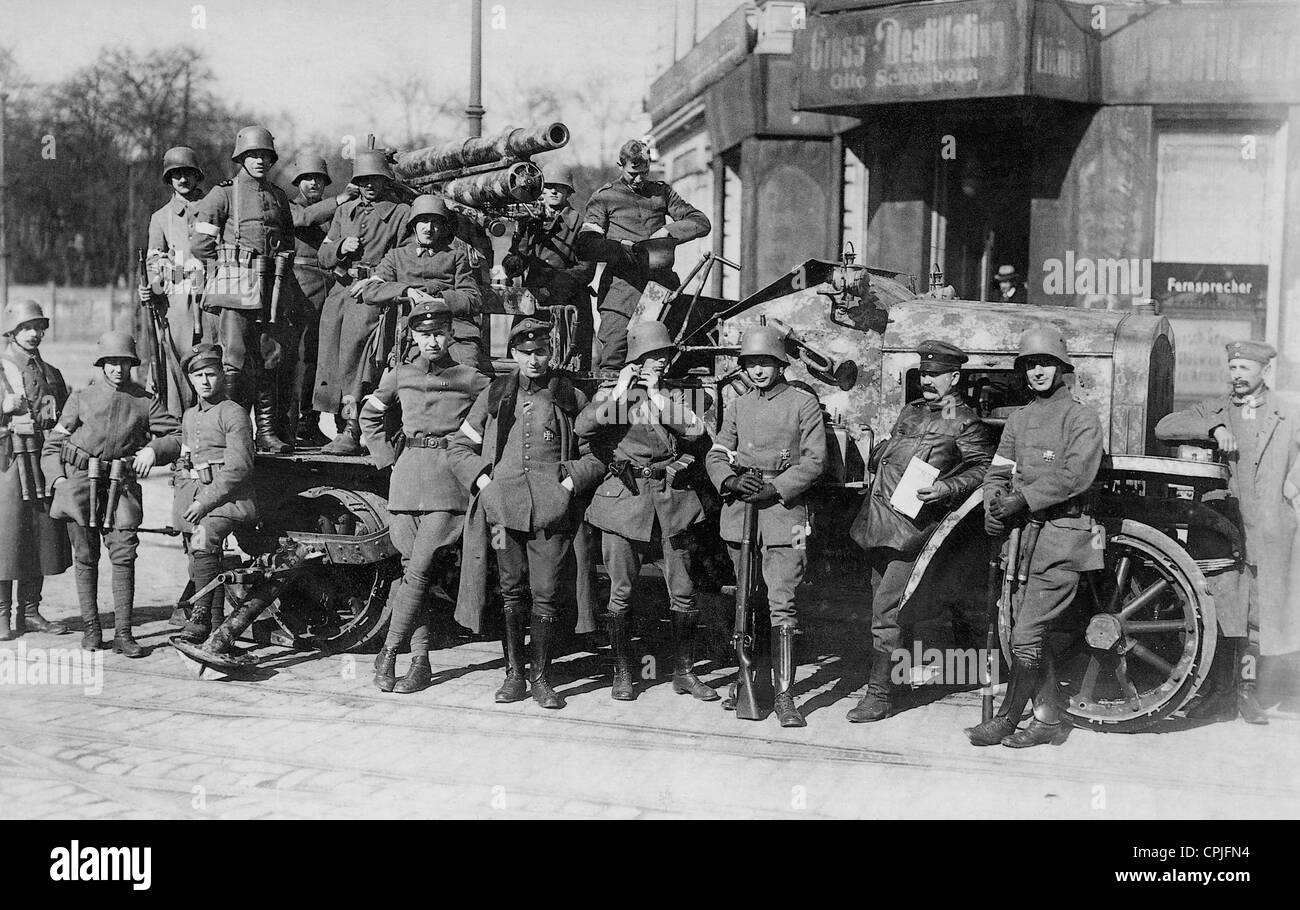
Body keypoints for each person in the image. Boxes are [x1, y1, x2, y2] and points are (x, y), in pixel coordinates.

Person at [449, 317, 605, 708]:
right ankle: (514, 675)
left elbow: (598, 455)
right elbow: (459, 448)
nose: (534, 360)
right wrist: (485, 487)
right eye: (526, 353)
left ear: (551, 352)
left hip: (551, 516)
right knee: (510, 590)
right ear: (513, 354)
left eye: (541, 352)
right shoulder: (495, 393)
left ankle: (541, 678)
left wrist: (568, 485)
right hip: (502, 515)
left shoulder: (571, 396)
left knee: (546, 594)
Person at [967, 324, 1104, 748]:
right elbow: (998, 470)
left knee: (1026, 633)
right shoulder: (1020, 419)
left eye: (1045, 363)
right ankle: (1046, 717)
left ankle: (1009, 719)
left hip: (1063, 537)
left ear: (1061, 368)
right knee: (1021, 631)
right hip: (1020, 538)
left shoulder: (1081, 417)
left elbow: (1076, 475)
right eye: (1029, 364)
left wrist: (1023, 499)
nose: (1036, 372)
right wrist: (994, 503)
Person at [846, 340, 993, 723]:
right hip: (880, 521)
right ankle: (898, 680)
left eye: (936, 375)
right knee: (886, 603)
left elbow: (985, 468)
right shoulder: (911, 412)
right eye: (924, 373)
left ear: (954, 378)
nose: (928, 380)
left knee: (886, 610)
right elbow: (893, 454)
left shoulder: (964, 421)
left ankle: (878, 696)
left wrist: (946, 488)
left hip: (914, 527)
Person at [1156, 340, 1300, 721]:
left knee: (1260, 614)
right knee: (1226, 609)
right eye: (1233, 368)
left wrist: (1295, 482)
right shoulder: (1215, 408)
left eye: (1244, 369)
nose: (1236, 376)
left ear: (1263, 372)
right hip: (1226, 523)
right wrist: (1213, 426)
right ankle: (1222, 693)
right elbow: (1165, 427)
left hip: (1271, 527)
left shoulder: (1287, 411)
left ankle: (1247, 693)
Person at [358, 298, 489, 694]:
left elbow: (498, 412)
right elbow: (370, 415)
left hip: (448, 482)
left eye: (439, 333)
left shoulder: (470, 377)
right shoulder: (399, 376)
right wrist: (385, 460)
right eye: (424, 334)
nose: (432, 340)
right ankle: (421, 662)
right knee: (411, 570)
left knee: (419, 569)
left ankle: (389, 651)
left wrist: (474, 462)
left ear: (450, 335)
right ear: (413, 336)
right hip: (406, 479)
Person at [576, 320, 711, 701]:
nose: (660, 363)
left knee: (683, 592)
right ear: (636, 358)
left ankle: (684, 672)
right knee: (621, 592)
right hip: (624, 502)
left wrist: (658, 396)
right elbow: (583, 428)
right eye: (652, 357)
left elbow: (697, 431)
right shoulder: (614, 396)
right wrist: (619, 392)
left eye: (664, 356)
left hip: (672, 501)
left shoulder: (676, 394)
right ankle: (623, 673)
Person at [706, 324, 828, 727]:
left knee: (783, 602)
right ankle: (745, 681)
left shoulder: (802, 402)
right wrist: (730, 479)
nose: (758, 370)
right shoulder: (738, 405)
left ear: (780, 364)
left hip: (783, 516)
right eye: (751, 363)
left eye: (766, 362)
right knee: (744, 600)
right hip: (741, 514)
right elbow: (718, 451)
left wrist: (774, 488)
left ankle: (785, 695)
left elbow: (814, 461)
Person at [40, 332, 181, 656]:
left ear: (132, 364)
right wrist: (58, 480)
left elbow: (175, 434)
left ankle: (123, 633)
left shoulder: (145, 401)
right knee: (85, 556)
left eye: (125, 362)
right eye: (112, 362)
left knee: (124, 555)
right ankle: (91, 629)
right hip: (80, 484)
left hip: (121, 487)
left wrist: (153, 450)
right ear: (102, 364)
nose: (118, 369)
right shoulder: (81, 398)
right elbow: (53, 446)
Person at [188, 125, 295, 453]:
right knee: (233, 361)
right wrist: (228, 264)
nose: (260, 161)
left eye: (265, 155)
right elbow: (200, 244)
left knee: (267, 358)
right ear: (241, 158)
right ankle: (231, 436)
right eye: (253, 155)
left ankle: (265, 433)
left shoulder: (278, 196)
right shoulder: (224, 193)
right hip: (236, 288)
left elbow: (288, 240)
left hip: (270, 289)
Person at [575, 140, 710, 371]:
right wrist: (619, 248)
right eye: (633, 173)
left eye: (644, 173)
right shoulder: (604, 198)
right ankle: (613, 405)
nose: (639, 179)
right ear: (620, 165)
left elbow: (700, 222)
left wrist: (669, 231)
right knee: (615, 358)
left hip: (660, 289)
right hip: (621, 292)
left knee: (665, 358)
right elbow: (586, 244)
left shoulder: (661, 192)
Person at [313, 149, 412, 454]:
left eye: (376, 179)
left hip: (371, 294)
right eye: (364, 179)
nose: (370, 185)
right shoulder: (345, 213)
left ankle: (353, 430)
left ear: (385, 181)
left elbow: (404, 258)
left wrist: (378, 282)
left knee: (356, 359)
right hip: (340, 291)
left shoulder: (400, 214)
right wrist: (342, 245)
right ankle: (340, 426)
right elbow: (323, 256)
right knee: (330, 358)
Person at [170, 344, 258, 646]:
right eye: (198, 375)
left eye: (211, 373)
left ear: (222, 375)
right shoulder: (190, 415)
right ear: (191, 380)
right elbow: (184, 459)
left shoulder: (233, 413)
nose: (205, 381)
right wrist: (183, 492)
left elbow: (239, 467)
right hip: (198, 499)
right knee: (199, 557)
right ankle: (218, 625)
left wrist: (202, 501)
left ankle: (200, 616)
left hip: (233, 500)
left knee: (204, 537)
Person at [0, 301, 72, 640]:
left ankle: (30, 611)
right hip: (7, 464)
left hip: (41, 460)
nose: (34, 333)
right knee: (7, 537)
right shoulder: (1, 368)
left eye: (39, 327)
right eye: (27, 327)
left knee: (40, 534)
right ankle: (1, 614)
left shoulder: (51, 373)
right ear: (12, 331)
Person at [356, 194, 484, 371]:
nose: (429, 228)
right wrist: (407, 291)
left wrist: (439, 300)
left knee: (463, 373)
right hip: (413, 333)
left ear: (443, 227)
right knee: (413, 376)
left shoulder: (455, 257)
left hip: (454, 332)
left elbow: (473, 298)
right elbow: (371, 289)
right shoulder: (397, 256)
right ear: (413, 225)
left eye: (435, 222)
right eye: (423, 221)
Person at [287, 154, 358, 447]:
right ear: (298, 182)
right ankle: (299, 422)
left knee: (323, 358)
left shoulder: (332, 211)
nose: (314, 182)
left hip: (332, 284)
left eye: (319, 178)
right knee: (303, 357)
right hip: (302, 286)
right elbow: (302, 219)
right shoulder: (291, 206)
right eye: (308, 178)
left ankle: (313, 420)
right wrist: (340, 200)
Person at [507, 167, 597, 370]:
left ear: (568, 193)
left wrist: (552, 284)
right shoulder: (530, 221)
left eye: (560, 188)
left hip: (568, 305)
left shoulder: (581, 225)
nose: (554, 192)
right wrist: (519, 241)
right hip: (533, 304)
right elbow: (514, 262)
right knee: (525, 360)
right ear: (541, 191)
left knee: (569, 365)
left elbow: (586, 270)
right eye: (548, 187)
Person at [143, 146, 207, 416]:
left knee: (212, 363)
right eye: (176, 174)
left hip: (213, 295)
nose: (183, 180)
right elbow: (153, 261)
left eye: (188, 174)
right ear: (169, 179)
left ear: (197, 177)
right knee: (177, 366)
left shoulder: (214, 207)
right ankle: (178, 434)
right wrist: (173, 270)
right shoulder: (161, 218)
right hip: (179, 301)